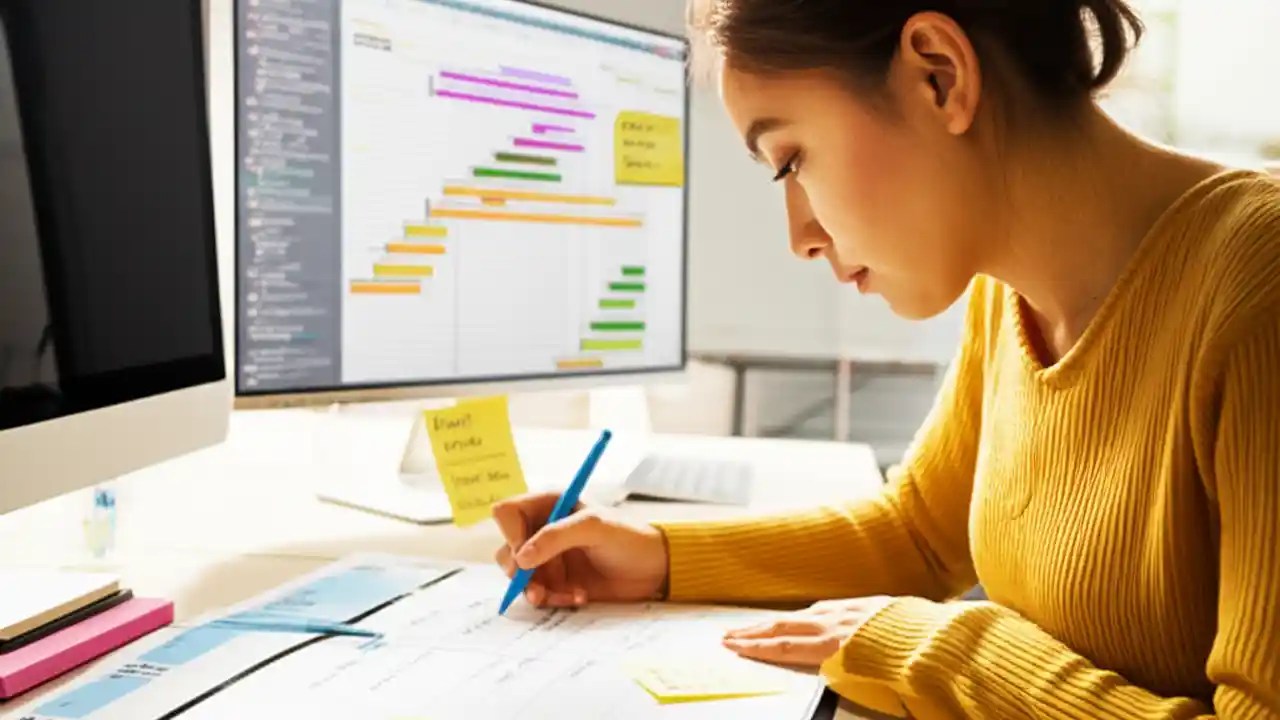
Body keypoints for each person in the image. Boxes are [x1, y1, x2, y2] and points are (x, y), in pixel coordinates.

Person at [493, 0, 1280, 716]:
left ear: (939, 76)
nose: (800, 237)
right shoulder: (1007, 288)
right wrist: (657, 557)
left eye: (791, 160)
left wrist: (950, 650)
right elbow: (920, 536)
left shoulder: (1259, 289)